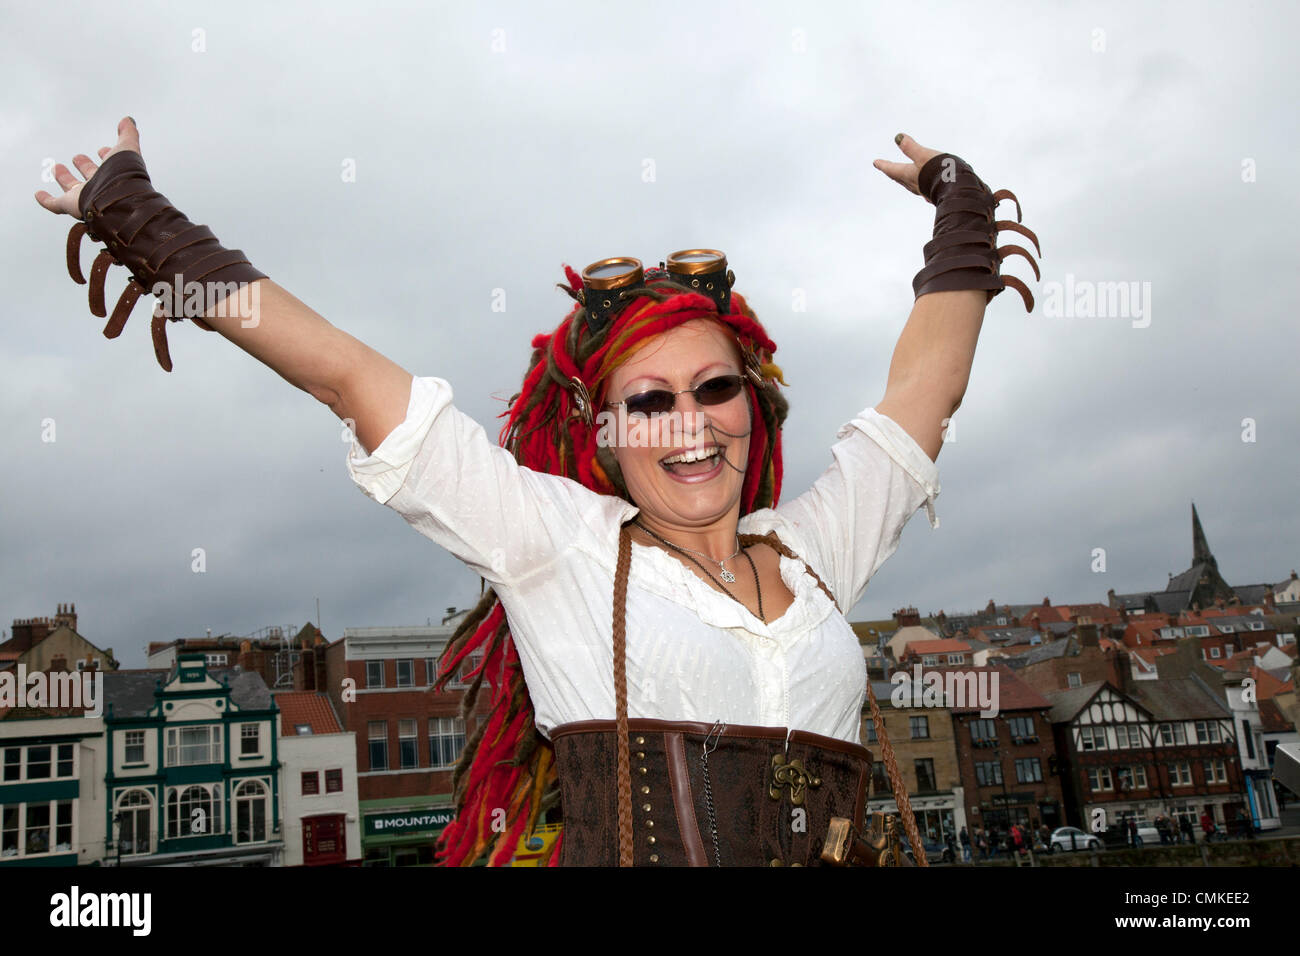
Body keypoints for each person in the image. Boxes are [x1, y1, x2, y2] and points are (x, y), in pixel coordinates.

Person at [36, 118, 1039, 867]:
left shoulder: (820, 547)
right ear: (602, 431)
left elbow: (926, 389)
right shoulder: (556, 542)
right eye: (647, 401)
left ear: (755, 405)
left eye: (714, 388)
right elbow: (341, 371)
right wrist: (150, 229)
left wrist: (959, 203)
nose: (688, 423)